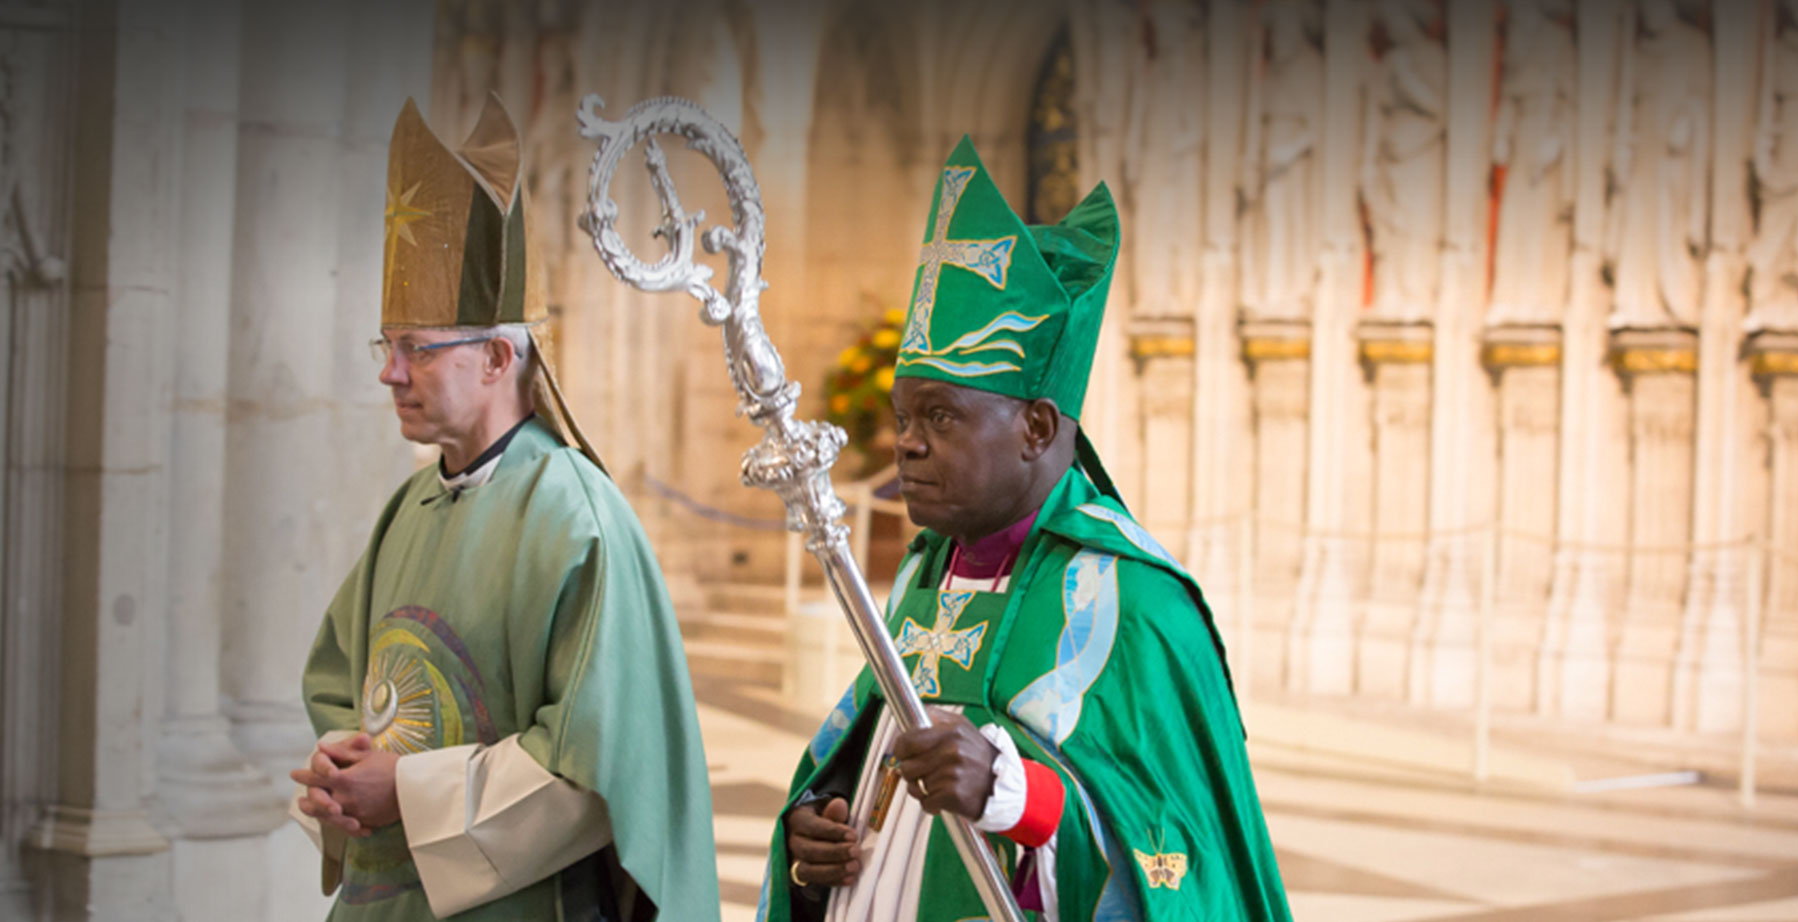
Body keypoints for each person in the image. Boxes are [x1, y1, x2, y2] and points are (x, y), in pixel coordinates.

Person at [757, 138, 1293, 920]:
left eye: (940, 417)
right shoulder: (925, 571)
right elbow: (863, 763)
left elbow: (1179, 856)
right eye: (903, 417)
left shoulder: (1136, 602)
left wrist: (1018, 797)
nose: (906, 443)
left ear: (1037, 428)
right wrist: (817, 823)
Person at [289, 95, 719, 922]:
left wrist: (408, 791)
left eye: (416, 349)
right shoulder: (411, 504)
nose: (389, 373)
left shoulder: (576, 518)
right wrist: (342, 772)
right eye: (388, 345)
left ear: (495, 356)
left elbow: (600, 765)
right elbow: (342, 682)